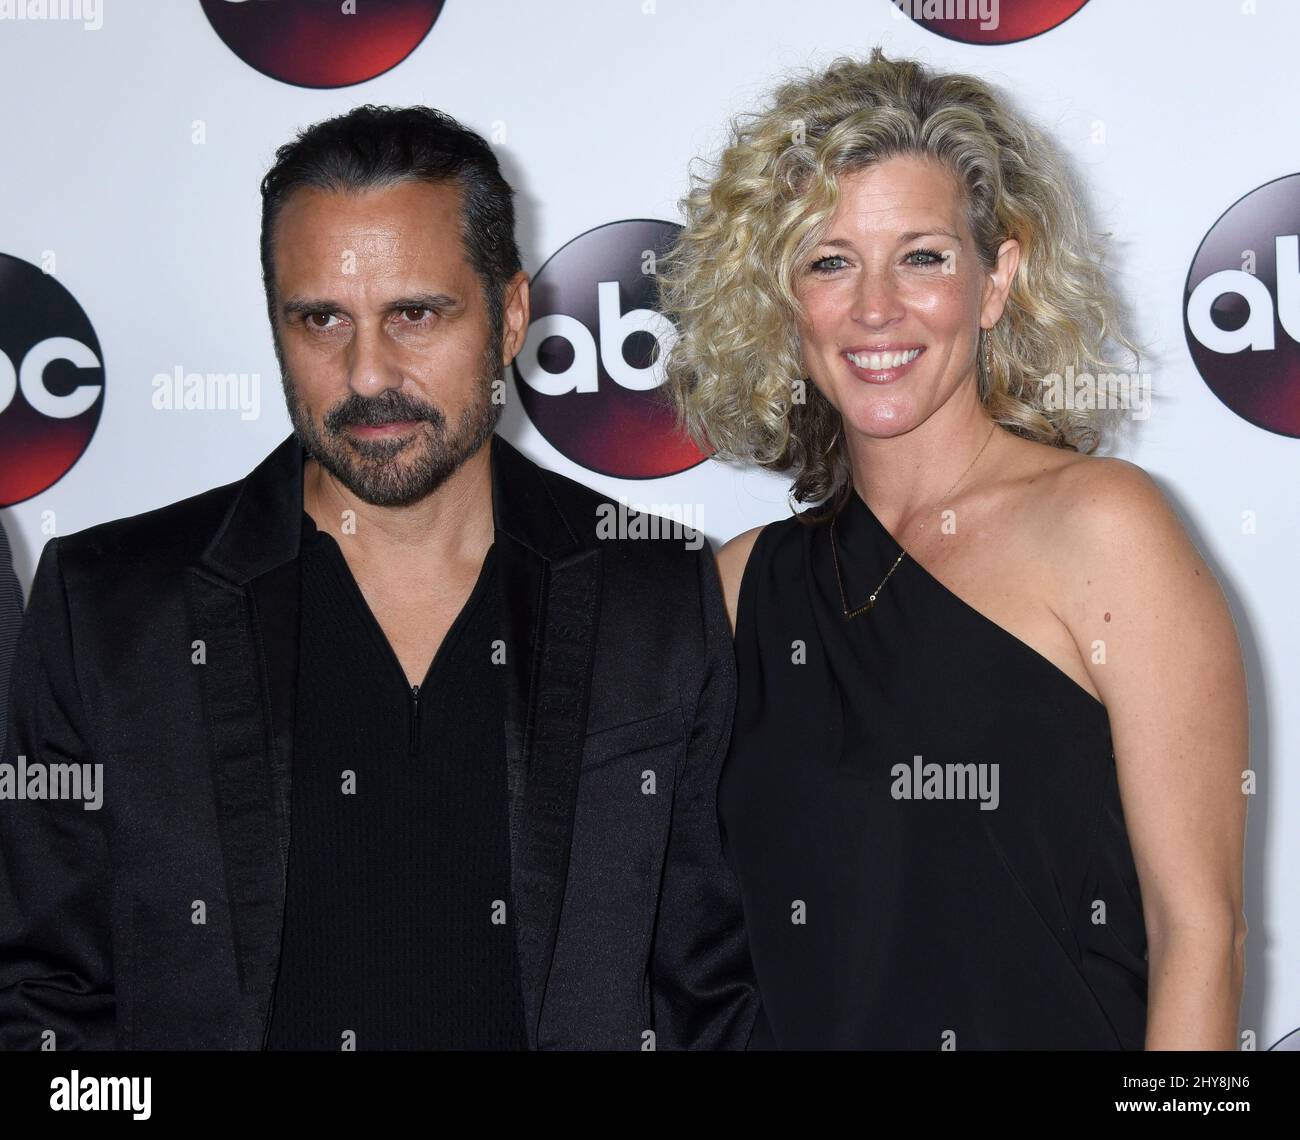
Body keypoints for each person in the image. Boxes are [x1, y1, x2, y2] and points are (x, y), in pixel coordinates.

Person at [0, 105, 757, 1051]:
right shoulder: (110, 605)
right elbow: (43, 1000)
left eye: (415, 314)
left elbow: (711, 994)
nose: (366, 376)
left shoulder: (652, 594)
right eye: (321, 319)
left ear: (511, 314)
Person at [660, 50, 1248, 1050]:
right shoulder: (737, 588)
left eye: (922, 255)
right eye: (829, 260)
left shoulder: (1103, 530)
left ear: (994, 282)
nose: (875, 307)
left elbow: (1202, 934)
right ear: (779, 301)